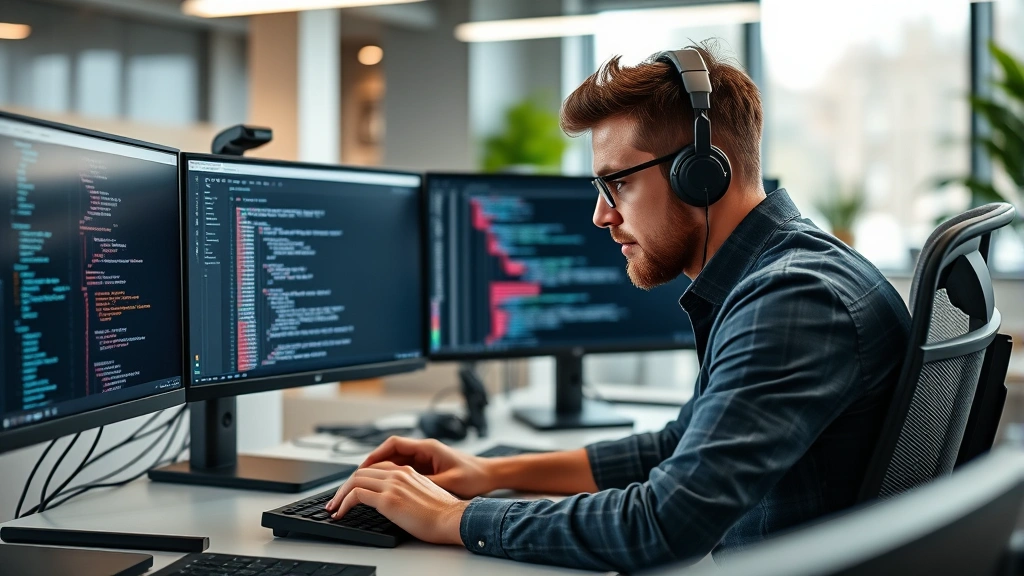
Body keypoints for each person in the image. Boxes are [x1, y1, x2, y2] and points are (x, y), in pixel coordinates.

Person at [325, 42, 911, 572]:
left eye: (617, 184)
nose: (602, 215)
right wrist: (490, 474)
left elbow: (663, 524)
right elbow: (677, 446)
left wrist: (452, 520)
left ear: (701, 175)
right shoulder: (785, 275)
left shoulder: (793, 301)